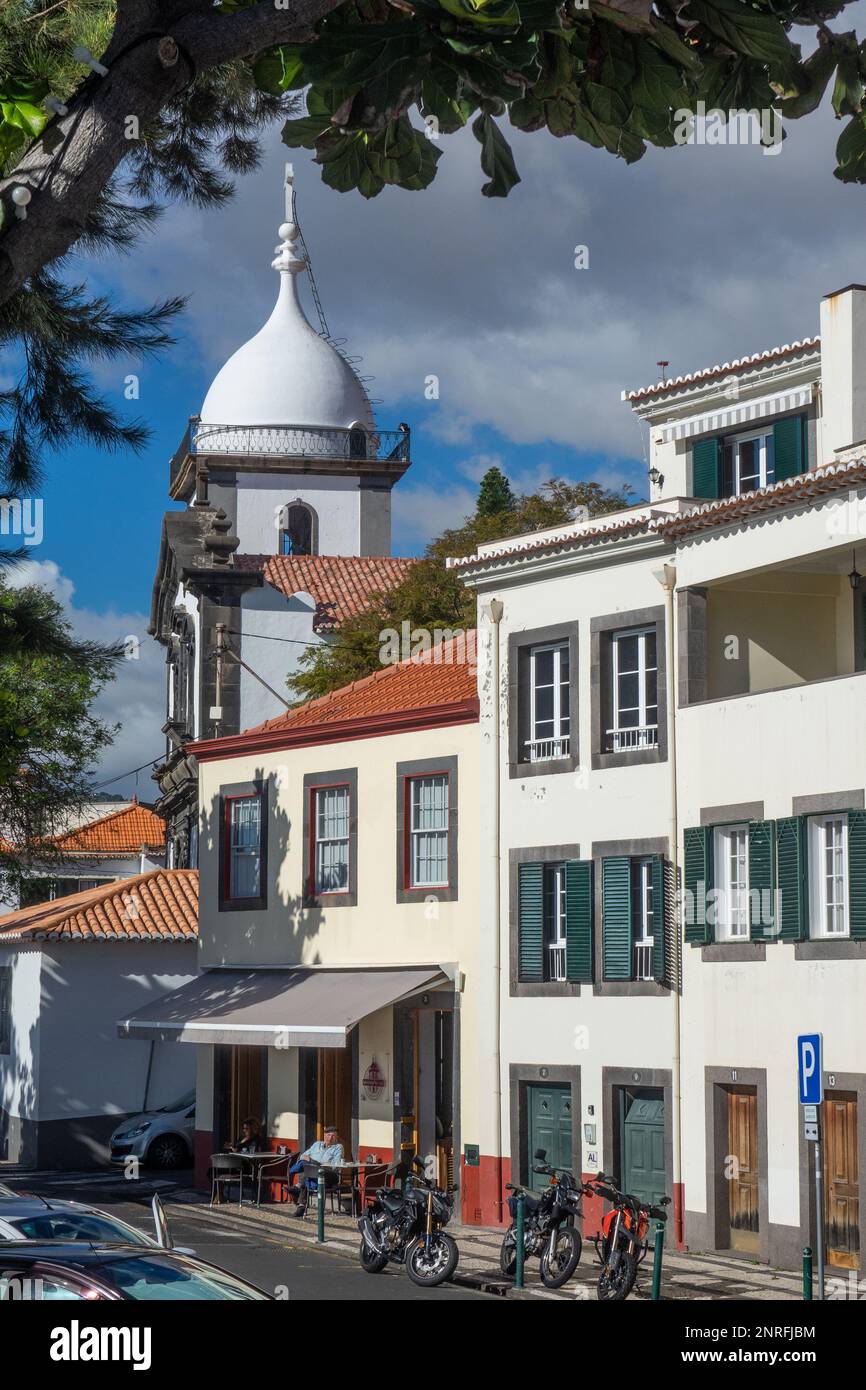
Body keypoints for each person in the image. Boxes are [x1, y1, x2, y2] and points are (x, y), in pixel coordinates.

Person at [290, 1124, 344, 1215]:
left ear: (336, 1137)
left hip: (329, 1173)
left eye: (333, 1136)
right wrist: (310, 1161)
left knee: (309, 1168)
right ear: (324, 1135)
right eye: (329, 1135)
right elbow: (303, 1156)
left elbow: (335, 1165)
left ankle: (298, 1188)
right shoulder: (316, 1144)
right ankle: (301, 1206)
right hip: (313, 1172)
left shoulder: (338, 1147)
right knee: (307, 1170)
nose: (331, 1138)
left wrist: (314, 1162)